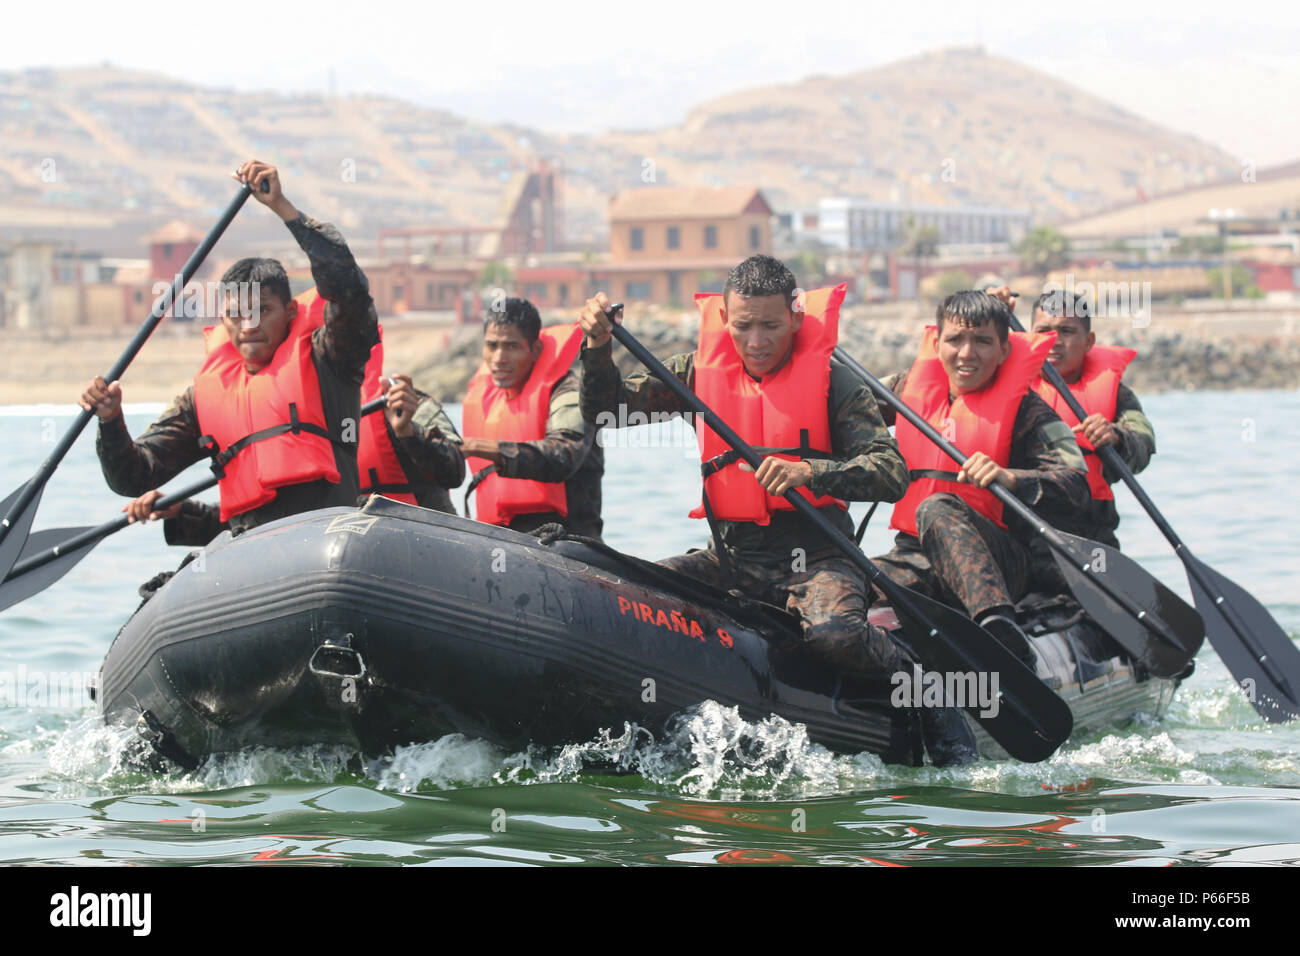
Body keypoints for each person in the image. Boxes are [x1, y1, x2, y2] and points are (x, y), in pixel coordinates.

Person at [574, 255, 985, 758]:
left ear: (795, 316)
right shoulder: (694, 373)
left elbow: (891, 472)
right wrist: (596, 346)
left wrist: (812, 472)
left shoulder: (836, 382)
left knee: (835, 636)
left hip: (818, 559)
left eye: (771, 325)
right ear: (725, 320)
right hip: (729, 558)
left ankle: (915, 678)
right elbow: (604, 412)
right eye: (744, 326)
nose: (757, 341)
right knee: (634, 595)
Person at [80, 159, 377, 544]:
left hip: (328, 541)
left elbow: (349, 289)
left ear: (289, 313)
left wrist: (283, 208)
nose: (249, 324)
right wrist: (110, 419)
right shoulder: (200, 400)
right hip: (250, 554)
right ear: (224, 320)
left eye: (263, 311)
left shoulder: (331, 358)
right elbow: (134, 475)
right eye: (237, 315)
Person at [872, 290, 1091, 664]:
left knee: (936, 507)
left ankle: (998, 630)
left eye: (982, 341)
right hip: (916, 557)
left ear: (1004, 350)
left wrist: (1010, 478)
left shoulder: (1026, 409)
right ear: (937, 343)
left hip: (1001, 560)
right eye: (955, 340)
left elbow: (1076, 482)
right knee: (849, 579)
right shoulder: (904, 389)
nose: (966, 353)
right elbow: (840, 407)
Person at [461, 297, 604, 539]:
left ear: (535, 349)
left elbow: (563, 455)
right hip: (498, 539)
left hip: (565, 538)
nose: (498, 358)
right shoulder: (485, 396)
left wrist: (481, 448)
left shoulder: (567, 392)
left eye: (511, 346)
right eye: (492, 346)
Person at [1027, 288, 1155, 549]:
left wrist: (1116, 436)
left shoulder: (1116, 394)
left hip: (1091, 532)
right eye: (1043, 331)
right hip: (1024, 525)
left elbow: (1144, 441)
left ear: (1088, 341)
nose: (1054, 340)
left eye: (1067, 331)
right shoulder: (1005, 384)